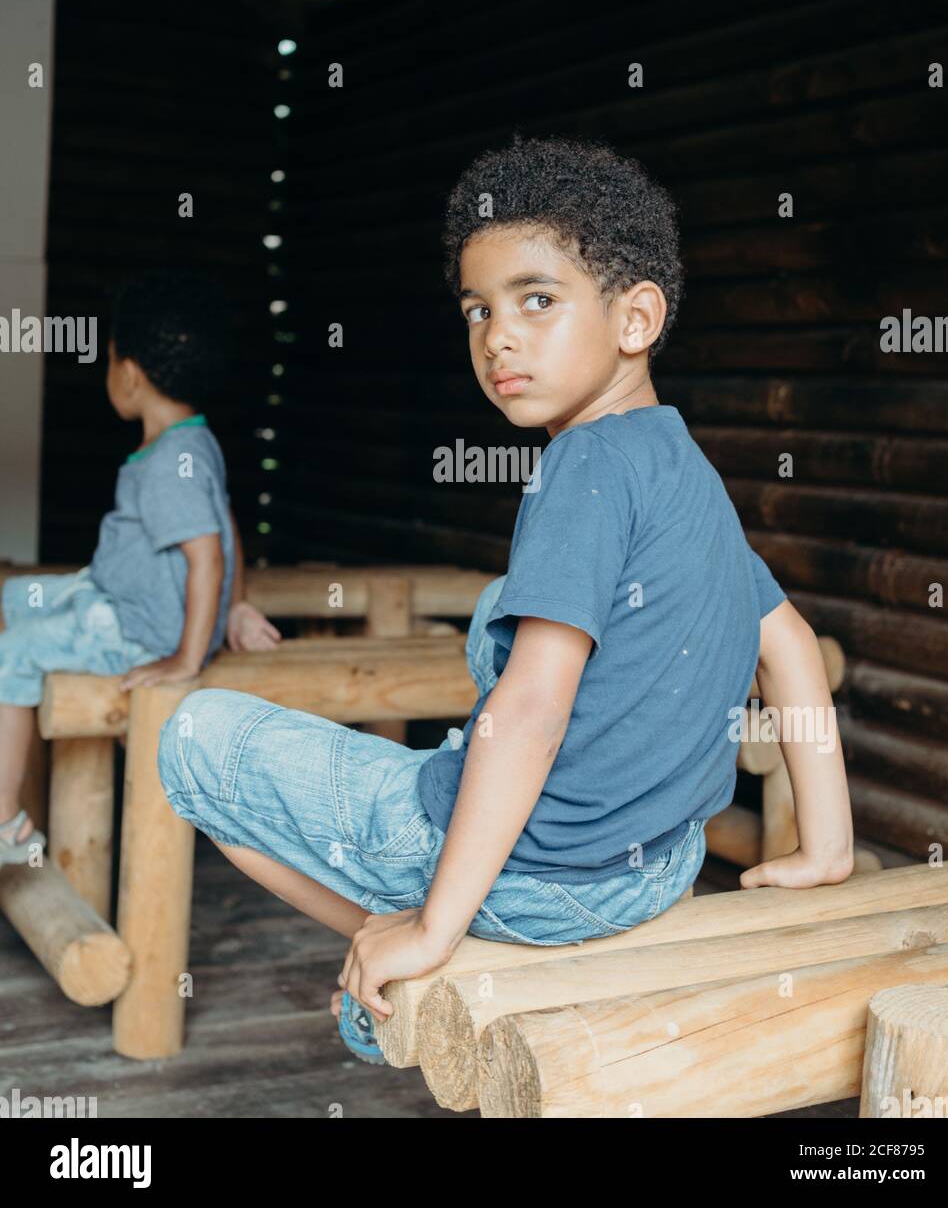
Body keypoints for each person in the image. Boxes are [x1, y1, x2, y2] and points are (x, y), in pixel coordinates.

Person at [156, 135, 855, 1066]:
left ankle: (409, 957)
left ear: (636, 316)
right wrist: (827, 846)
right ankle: (412, 932)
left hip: (538, 878)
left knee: (193, 738)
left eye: (537, 299)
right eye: (478, 309)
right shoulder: (679, 462)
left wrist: (436, 924)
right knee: (498, 617)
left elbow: (529, 710)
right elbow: (793, 647)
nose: (498, 336)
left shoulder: (585, 465)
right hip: (654, 869)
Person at [0, 270, 279, 865]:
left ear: (127, 373)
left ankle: (7, 822)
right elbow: (225, 523)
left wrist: (184, 658)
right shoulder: (193, 442)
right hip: (117, 602)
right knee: (17, 594)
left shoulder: (168, 463)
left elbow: (206, 555)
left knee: (12, 652)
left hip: (129, 631)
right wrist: (236, 604)